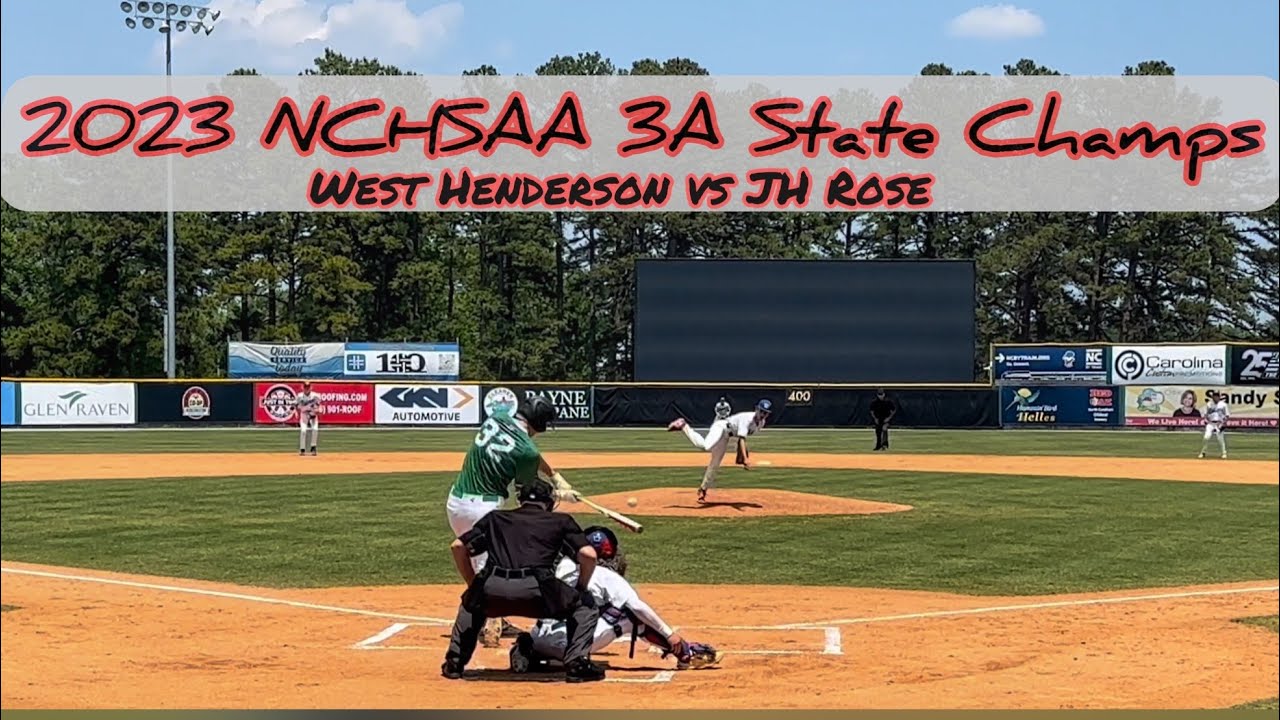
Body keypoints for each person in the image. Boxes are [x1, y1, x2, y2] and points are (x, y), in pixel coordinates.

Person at [446, 395, 582, 648]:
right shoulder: (527, 452)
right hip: (483, 508)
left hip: (455, 503)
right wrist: (559, 493)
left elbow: (529, 452)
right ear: (539, 424)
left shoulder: (497, 418)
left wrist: (555, 476)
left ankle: (491, 611)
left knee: (480, 565)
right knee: (493, 571)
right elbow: (526, 493)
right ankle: (486, 615)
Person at [441, 480, 606, 683]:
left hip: (493, 588)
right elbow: (588, 555)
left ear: (520, 500)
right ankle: (576, 663)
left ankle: (454, 663)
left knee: (470, 604)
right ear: (549, 501)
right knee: (585, 606)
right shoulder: (561, 521)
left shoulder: (495, 518)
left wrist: (473, 584)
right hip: (538, 591)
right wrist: (581, 587)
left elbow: (458, 546)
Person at [511, 525, 723, 673]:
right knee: (631, 615)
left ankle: (527, 649)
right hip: (570, 647)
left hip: (540, 636)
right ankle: (686, 654)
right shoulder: (605, 575)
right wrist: (670, 634)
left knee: (586, 609)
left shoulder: (564, 565)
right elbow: (637, 607)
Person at [667, 399, 772, 503]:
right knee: (705, 446)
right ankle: (684, 425)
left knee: (715, 463)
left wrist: (741, 458)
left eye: (765, 413)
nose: (762, 414)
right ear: (756, 409)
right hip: (721, 427)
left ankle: (703, 489)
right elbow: (742, 439)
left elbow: (741, 439)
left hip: (728, 436)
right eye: (761, 411)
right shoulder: (748, 419)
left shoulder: (761, 423)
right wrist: (745, 459)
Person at [1198, 390, 1230, 459]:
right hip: (1211, 423)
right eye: (1214, 396)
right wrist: (1206, 421)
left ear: (1219, 396)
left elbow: (1227, 415)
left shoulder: (1223, 405)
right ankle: (1203, 452)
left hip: (1219, 423)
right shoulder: (1209, 404)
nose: (1215, 397)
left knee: (1220, 439)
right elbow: (1205, 414)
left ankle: (1224, 453)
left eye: (1217, 396)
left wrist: (1223, 423)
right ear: (1212, 396)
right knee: (1206, 437)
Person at [296, 382, 321, 456]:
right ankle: (302, 449)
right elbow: (296, 405)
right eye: (305, 387)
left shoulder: (316, 396)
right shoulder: (299, 396)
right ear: (302, 387)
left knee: (315, 429)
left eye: (308, 387)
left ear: (311, 387)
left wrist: (317, 411)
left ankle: (313, 447)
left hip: (313, 414)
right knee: (303, 431)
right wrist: (297, 412)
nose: (306, 388)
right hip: (304, 414)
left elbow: (320, 406)